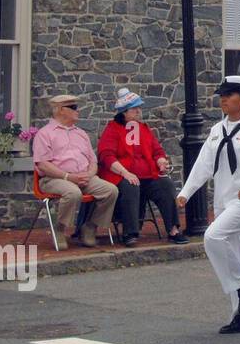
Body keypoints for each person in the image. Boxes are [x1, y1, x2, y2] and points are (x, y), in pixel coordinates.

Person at [177, 75, 240, 334]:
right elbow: (202, 165)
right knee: (234, 251)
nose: (223, 99)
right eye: (221, 94)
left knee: (212, 237)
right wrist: (186, 192)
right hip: (222, 200)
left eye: (230, 94)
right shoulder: (217, 130)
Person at [97, 87, 188, 247]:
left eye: (139, 108)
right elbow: (106, 156)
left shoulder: (143, 129)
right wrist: (125, 173)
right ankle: (130, 232)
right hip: (121, 175)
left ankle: (173, 230)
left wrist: (161, 161)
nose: (139, 111)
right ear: (124, 112)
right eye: (134, 109)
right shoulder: (112, 129)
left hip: (147, 175)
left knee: (165, 185)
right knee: (131, 185)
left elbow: (157, 150)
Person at [33, 94, 120, 250]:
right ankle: (60, 229)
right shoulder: (45, 133)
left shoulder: (80, 133)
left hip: (83, 177)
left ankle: (90, 227)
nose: (77, 111)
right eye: (73, 108)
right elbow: (43, 164)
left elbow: (93, 161)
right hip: (54, 179)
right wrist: (68, 176)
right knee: (73, 193)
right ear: (60, 110)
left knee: (110, 190)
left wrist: (90, 174)